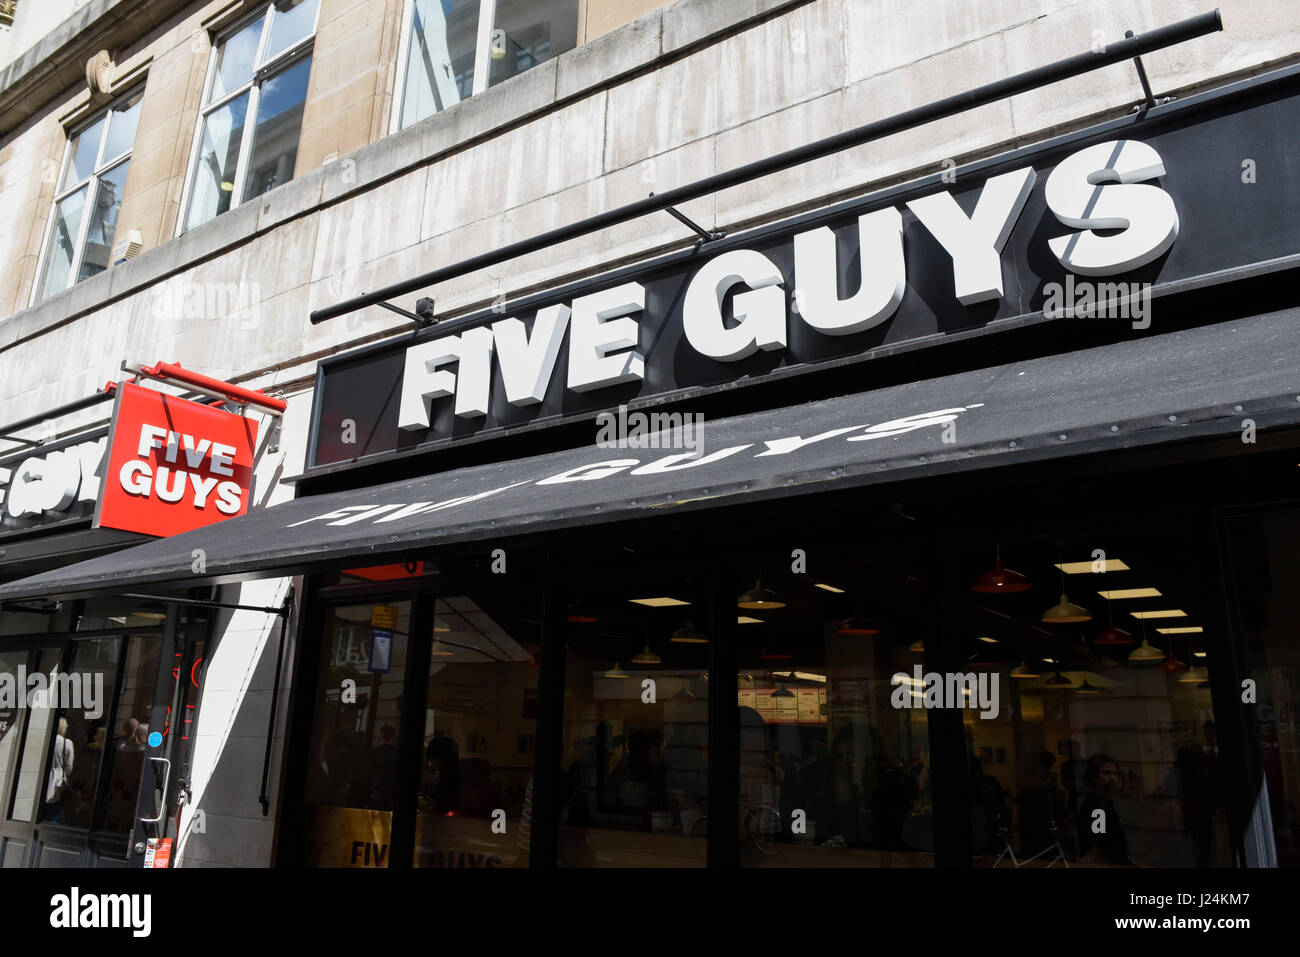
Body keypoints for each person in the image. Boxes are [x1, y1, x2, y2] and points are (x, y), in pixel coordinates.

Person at [1077, 753, 1134, 865]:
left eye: (1115, 773)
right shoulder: (1094, 805)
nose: (1112, 778)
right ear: (1094, 777)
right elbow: (1100, 843)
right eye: (1106, 773)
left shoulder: (1114, 802)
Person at [43, 717, 74, 822]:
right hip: (57, 780)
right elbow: (69, 766)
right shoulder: (67, 743)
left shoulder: (45, 738)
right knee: (53, 812)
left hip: (41, 778)